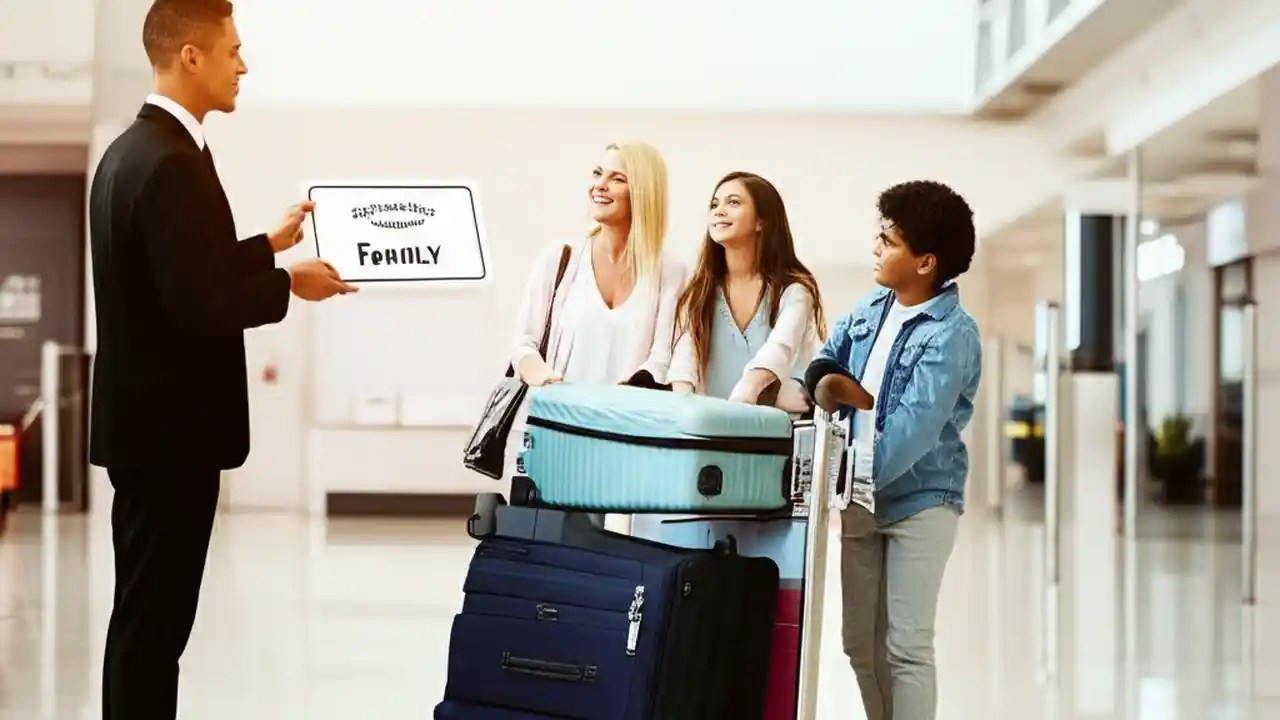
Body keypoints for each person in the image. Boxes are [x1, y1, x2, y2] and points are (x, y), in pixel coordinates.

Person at [88, 1, 356, 717]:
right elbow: (198, 305)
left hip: (146, 435)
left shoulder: (131, 154)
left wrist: (267, 244)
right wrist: (289, 282)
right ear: (190, 58)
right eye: (233, 50)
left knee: (143, 622)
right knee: (154, 630)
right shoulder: (172, 164)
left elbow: (179, 271)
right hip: (170, 441)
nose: (245, 64)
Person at [804, 180, 981, 720]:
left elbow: (909, 433)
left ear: (925, 261)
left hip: (920, 503)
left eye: (888, 240)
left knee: (906, 648)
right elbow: (820, 367)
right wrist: (832, 388)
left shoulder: (953, 334)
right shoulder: (872, 307)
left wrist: (835, 478)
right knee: (859, 645)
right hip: (858, 500)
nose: (876, 248)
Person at [668, 171, 825, 408]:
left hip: (777, 431)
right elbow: (684, 365)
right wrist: (684, 410)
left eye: (733, 202)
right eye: (714, 204)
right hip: (712, 431)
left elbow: (777, 351)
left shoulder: (794, 291)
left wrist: (739, 405)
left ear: (761, 221)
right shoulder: (700, 292)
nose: (719, 210)